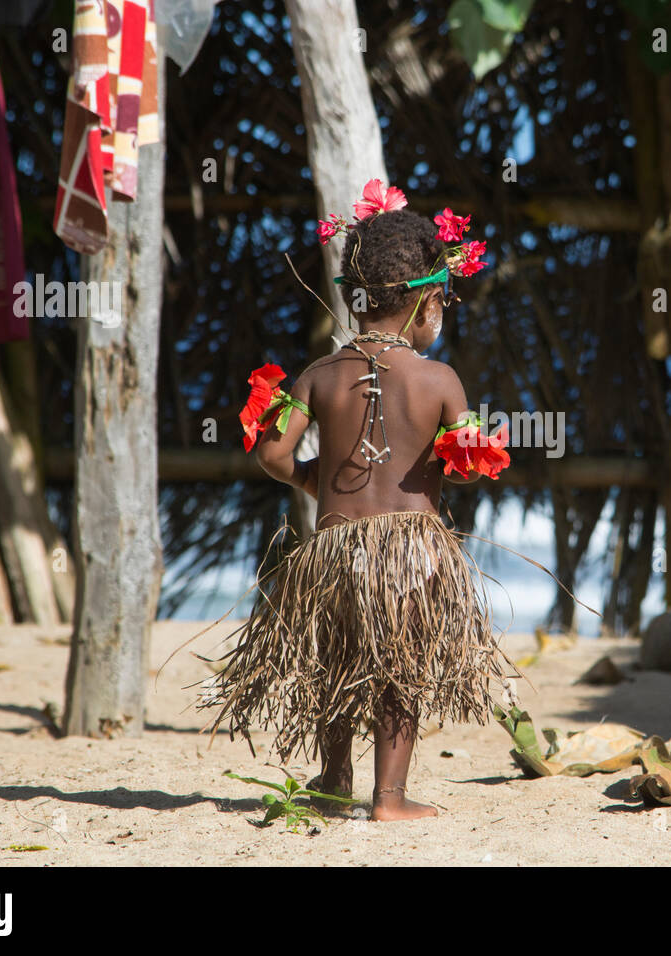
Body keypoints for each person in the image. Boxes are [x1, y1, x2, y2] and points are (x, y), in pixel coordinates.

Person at [203, 185, 514, 822]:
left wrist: (317, 483)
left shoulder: (318, 374)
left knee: (336, 662)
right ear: (428, 303)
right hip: (413, 555)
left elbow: (271, 455)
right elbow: (463, 469)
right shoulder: (440, 380)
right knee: (398, 667)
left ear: (353, 297)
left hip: (334, 551)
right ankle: (389, 798)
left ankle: (332, 782)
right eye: (444, 303)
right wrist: (452, 469)